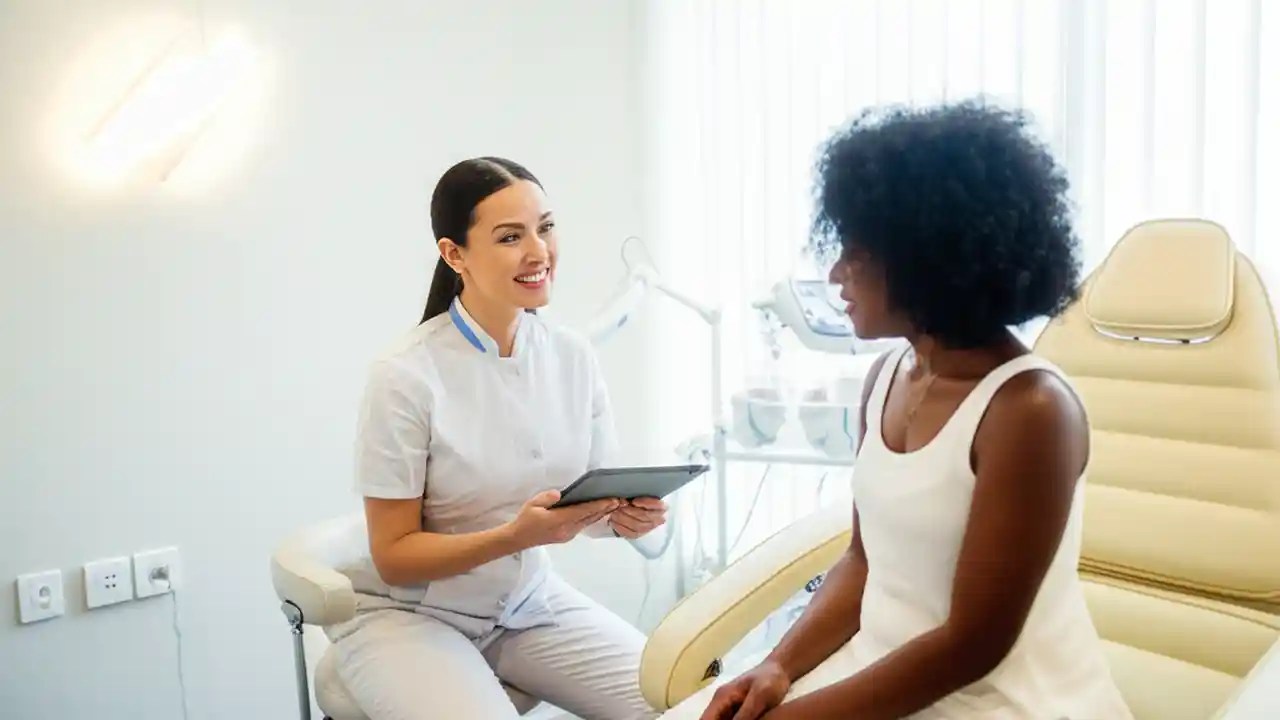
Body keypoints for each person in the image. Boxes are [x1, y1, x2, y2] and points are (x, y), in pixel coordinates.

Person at [665, 103, 1134, 719]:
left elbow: (973, 645)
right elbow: (864, 560)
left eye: (856, 255)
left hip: (998, 700)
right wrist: (777, 666)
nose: (835, 275)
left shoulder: (1030, 410)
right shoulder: (886, 377)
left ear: (929, 260)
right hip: (879, 673)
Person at [327, 156, 666, 720]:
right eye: (511, 237)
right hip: (409, 616)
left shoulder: (572, 356)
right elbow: (394, 558)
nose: (539, 252)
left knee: (689, 704)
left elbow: (589, 501)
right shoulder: (405, 375)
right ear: (453, 254)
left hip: (526, 602)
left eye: (546, 227)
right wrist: (516, 536)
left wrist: (623, 517)